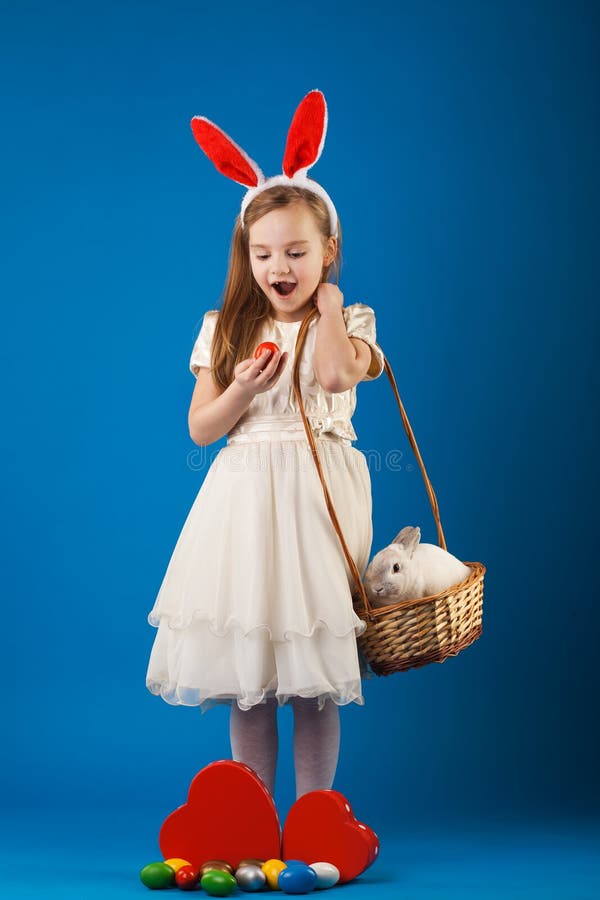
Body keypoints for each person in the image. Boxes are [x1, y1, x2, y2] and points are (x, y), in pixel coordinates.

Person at [145, 91, 386, 801]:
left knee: (313, 683)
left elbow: (341, 373)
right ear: (245, 255)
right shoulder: (224, 326)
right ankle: (251, 817)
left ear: (327, 252)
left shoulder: (354, 318)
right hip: (244, 504)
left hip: (317, 504)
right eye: (263, 252)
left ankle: (315, 813)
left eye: (296, 252)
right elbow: (201, 429)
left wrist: (333, 307)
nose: (278, 266)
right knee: (250, 682)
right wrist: (244, 389)